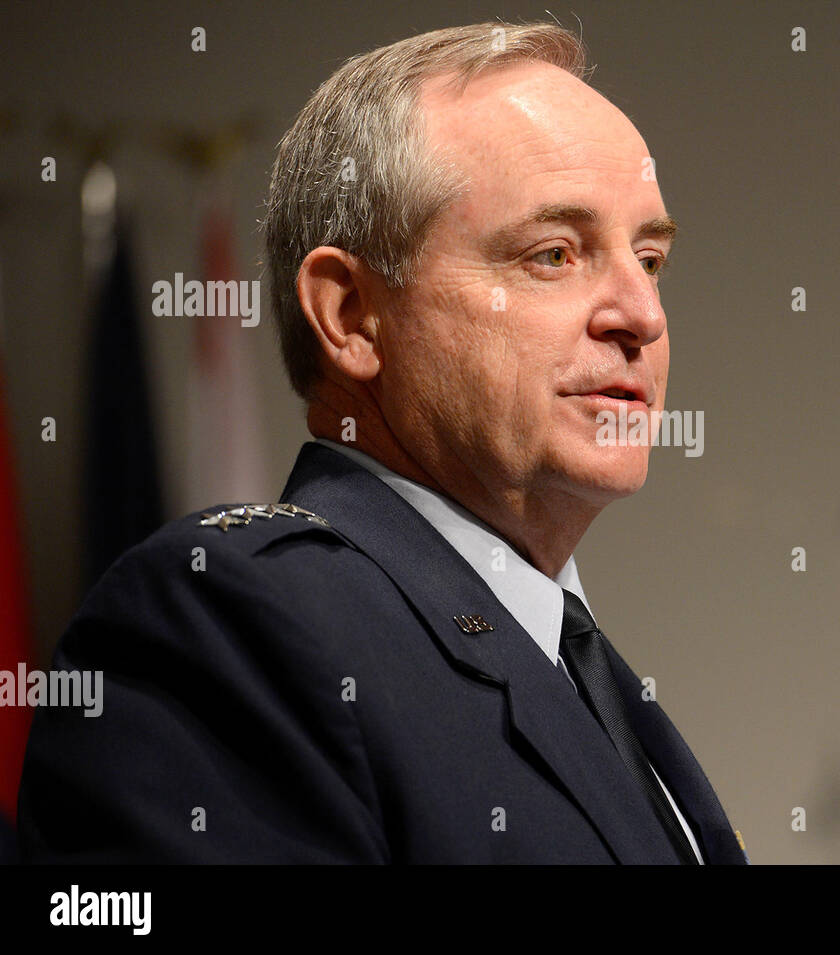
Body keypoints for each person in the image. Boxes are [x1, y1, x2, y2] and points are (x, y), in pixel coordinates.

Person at [18, 22, 746, 865]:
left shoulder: (580, 667)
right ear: (351, 314)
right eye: (554, 253)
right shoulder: (230, 625)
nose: (643, 316)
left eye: (650, 259)